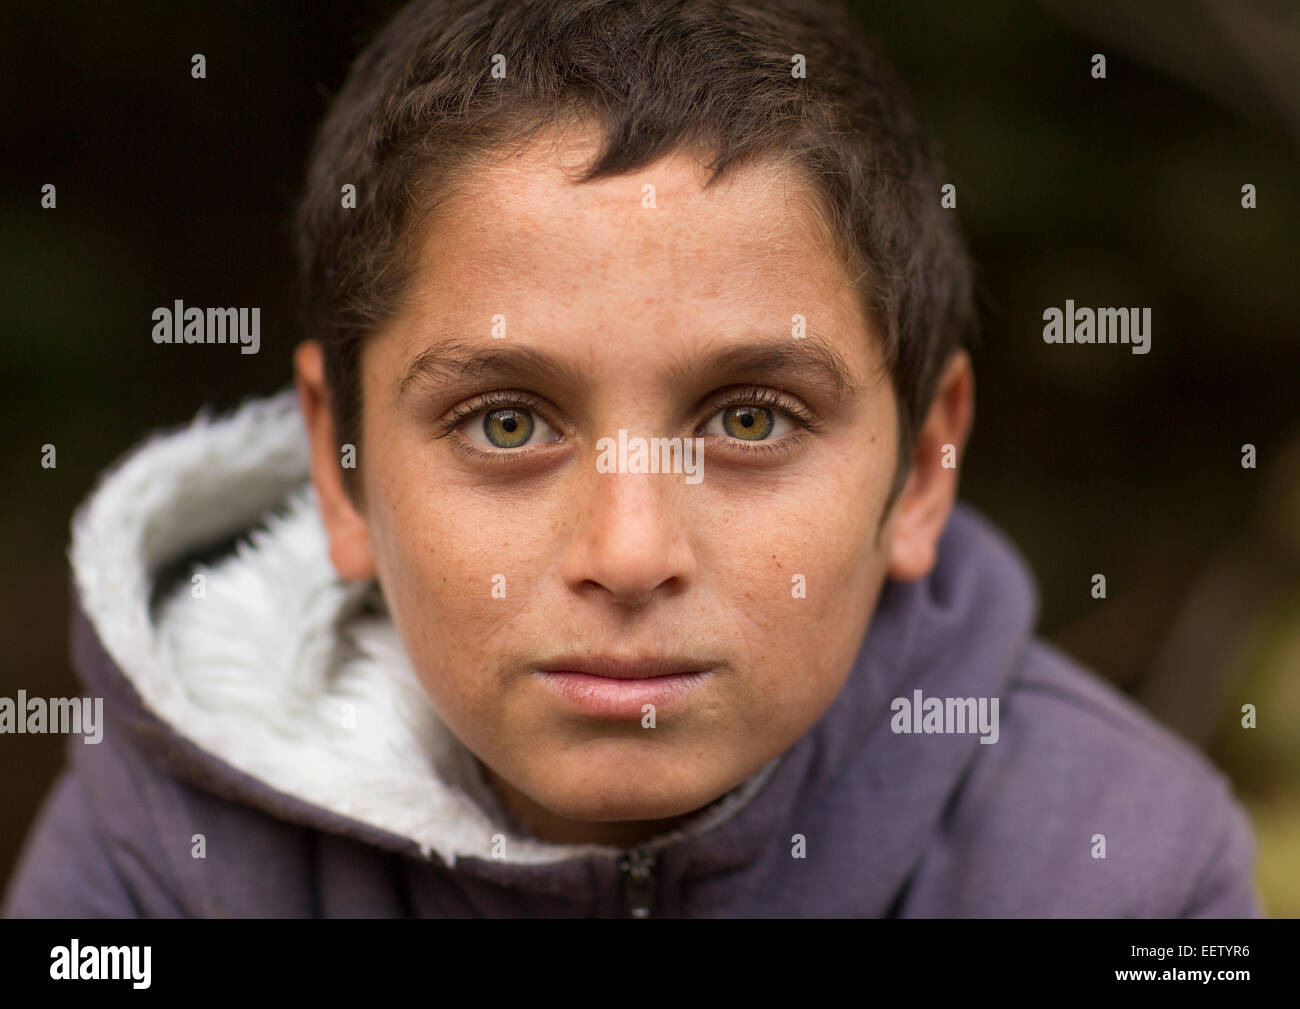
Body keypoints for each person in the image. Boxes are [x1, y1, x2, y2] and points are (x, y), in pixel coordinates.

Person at [3, 0, 1261, 917]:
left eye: (752, 419)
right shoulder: (161, 857)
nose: (630, 553)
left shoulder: (1120, 864)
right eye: (507, 422)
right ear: (340, 471)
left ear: (922, 470)